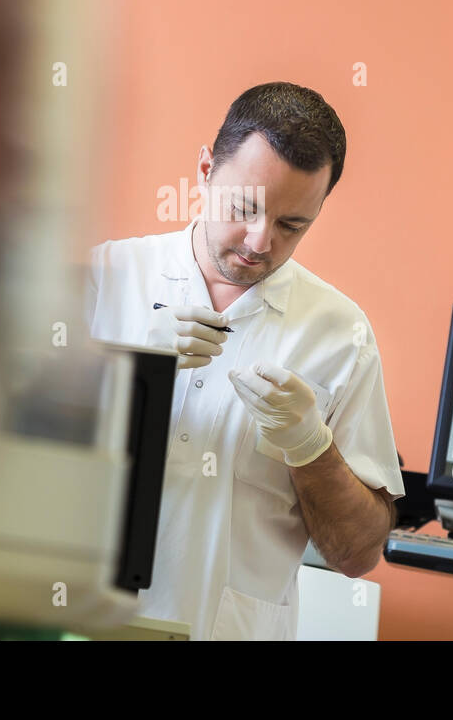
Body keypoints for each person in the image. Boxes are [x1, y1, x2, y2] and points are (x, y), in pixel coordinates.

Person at [84, 81, 405, 640]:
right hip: (80, 621)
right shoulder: (105, 281)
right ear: (206, 169)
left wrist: (310, 447)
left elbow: (357, 554)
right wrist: (125, 370)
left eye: (291, 225)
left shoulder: (340, 335)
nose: (260, 241)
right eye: (244, 207)